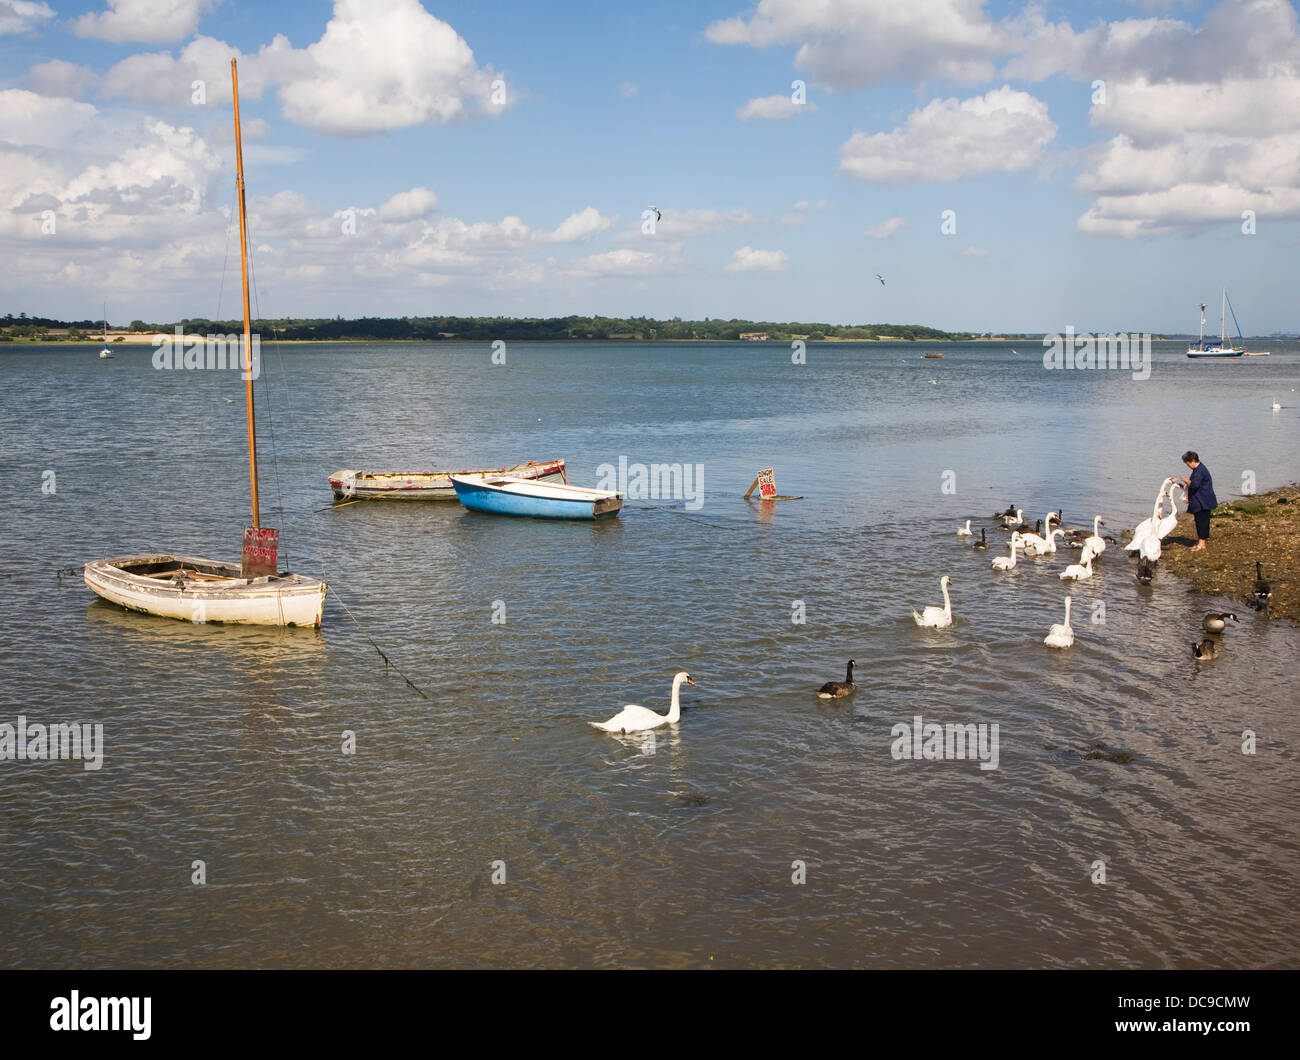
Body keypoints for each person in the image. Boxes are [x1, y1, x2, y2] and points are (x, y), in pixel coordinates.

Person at [1179, 451, 1217, 551]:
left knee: (1202, 521)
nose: (1188, 466)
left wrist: (1186, 481)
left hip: (1203, 501)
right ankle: (1201, 542)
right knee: (1201, 521)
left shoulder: (1199, 470)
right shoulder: (1199, 469)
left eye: (1187, 464)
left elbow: (1195, 484)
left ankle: (1202, 544)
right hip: (1202, 500)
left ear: (1192, 461)